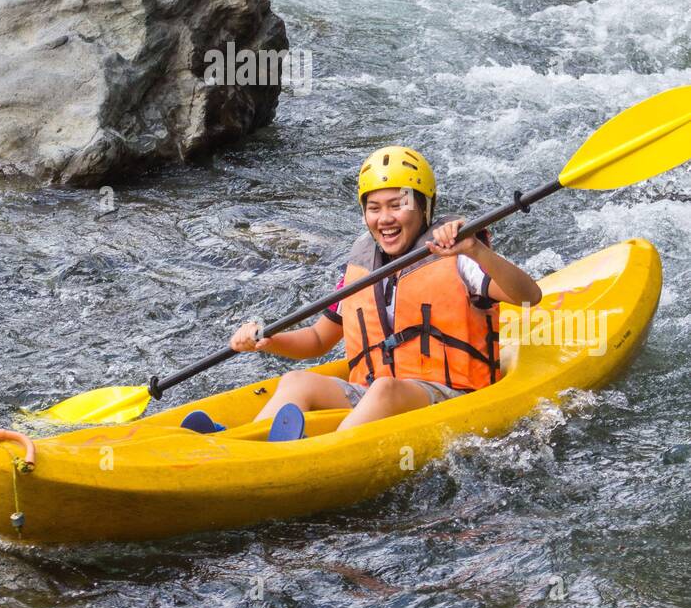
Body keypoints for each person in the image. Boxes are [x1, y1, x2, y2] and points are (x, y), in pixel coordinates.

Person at [193, 146, 542, 441]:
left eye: (397, 205)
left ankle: (316, 456)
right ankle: (243, 446)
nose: (385, 218)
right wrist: (269, 339)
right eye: (374, 208)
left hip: (449, 394)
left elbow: (529, 297)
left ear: (424, 208)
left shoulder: (456, 255)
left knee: (386, 389)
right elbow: (317, 339)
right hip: (374, 391)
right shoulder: (362, 264)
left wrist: (476, 251)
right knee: (297, 381)